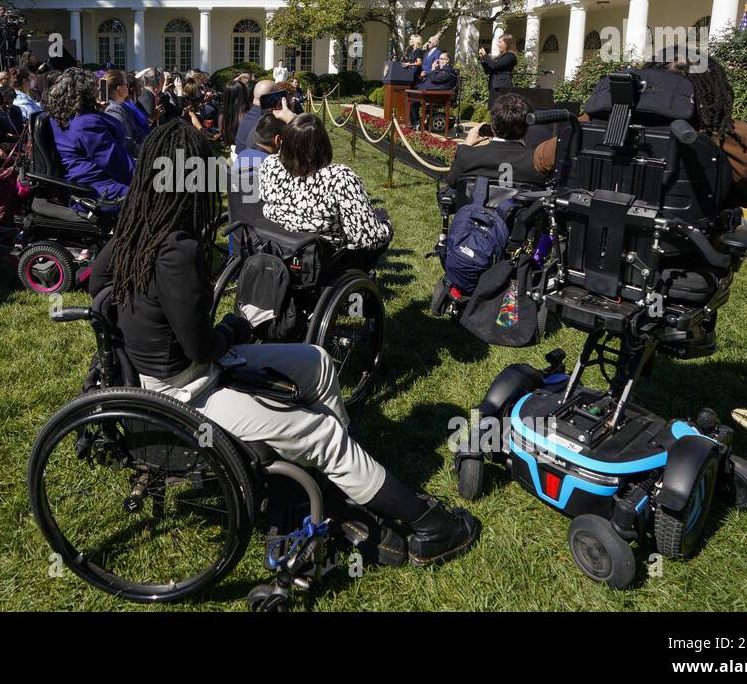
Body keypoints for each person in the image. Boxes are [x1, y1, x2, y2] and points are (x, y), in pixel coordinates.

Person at [88, 119, 479, 566]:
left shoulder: (137, 231)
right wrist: (242, 323)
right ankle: (428, 524)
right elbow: (202, 348)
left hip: (167, 372)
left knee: (316, 360)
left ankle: (335, 480)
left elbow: (96, 285)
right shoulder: (179, 249)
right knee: (324, 432)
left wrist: (132, 326)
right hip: (185, 390)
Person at [532, 57, 747, 209]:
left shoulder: (592, 124)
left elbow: (541, 160)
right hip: (683, 261)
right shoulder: (732, 139)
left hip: (590, 249)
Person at [259, 113, 393, 264]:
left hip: (280, 248)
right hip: (321, 260)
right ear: (323, 144)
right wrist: (387, 227)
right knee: (379, 224)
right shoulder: (339, 178)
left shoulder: (270, 165)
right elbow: (367, 239)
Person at [44, 68, 133, 204]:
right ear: (86, 92)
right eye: (95, 87)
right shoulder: (87, 122)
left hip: (83, 184)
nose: (99, 91)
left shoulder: (57, 118)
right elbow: (117, 165)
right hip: (99, 190)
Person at [102, 71, 150, 156]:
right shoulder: (114, 108)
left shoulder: (118, 106)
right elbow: (126, 140)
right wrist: (146, 153)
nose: (128, 88)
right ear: (119, 88)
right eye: (126, 85)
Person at [478, 32, 518, 102]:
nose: (498, 44)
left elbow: (495, 66)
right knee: (493, 109)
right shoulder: (500, 57)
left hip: (502, 87)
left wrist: (485, 56)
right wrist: (483, 60)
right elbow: (488, 70)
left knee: (499, 109)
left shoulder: (510, 56)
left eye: (500, 42)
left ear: (507, 44)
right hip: (494, 86)